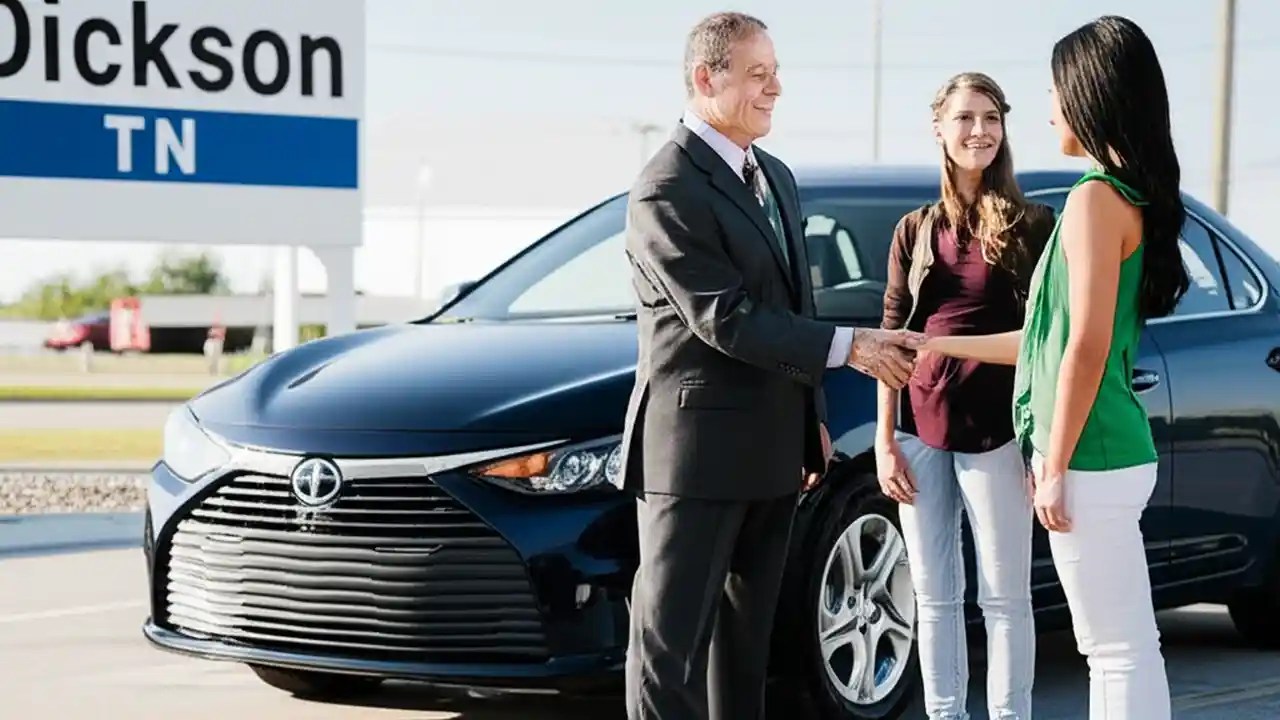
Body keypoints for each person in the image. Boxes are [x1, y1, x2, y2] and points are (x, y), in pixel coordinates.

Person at [617, 11, 924, 720]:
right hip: (692, 461)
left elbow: (793, 301)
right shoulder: (666, 186)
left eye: (775, 72)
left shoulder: (776, 178)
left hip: (773, 453)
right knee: (669, 654)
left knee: (745, 656)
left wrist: (809, 418)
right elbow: (724, 317)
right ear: (705, 78)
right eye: (758, 74)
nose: (776, 88)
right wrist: (853, 348)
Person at [920, 15, 1189, 719]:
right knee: (1127, 647)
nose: (1045, 106)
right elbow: (1043, 342)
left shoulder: (1096, 198)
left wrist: (1056, 463)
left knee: (1116, 651)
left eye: (1053, 88)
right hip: (1108, 449)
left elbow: (1085, 346)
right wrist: (934, 344)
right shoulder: (1121, 194)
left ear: (1089, 93)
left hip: (1092, 457)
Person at [877, 71, 1056, 720]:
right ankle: (945, 714)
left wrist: (1042, 445)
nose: (978, 130)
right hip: (919, 432)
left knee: (1006, 596)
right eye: (964, 118)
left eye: (990, 118)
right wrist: (883, 441)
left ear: (1004, 129)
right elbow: (892, 336)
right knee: (933, 593)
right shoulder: (913, 230)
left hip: (999, 434)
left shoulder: (1034, 225)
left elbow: (1044, 341)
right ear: (939, 129)